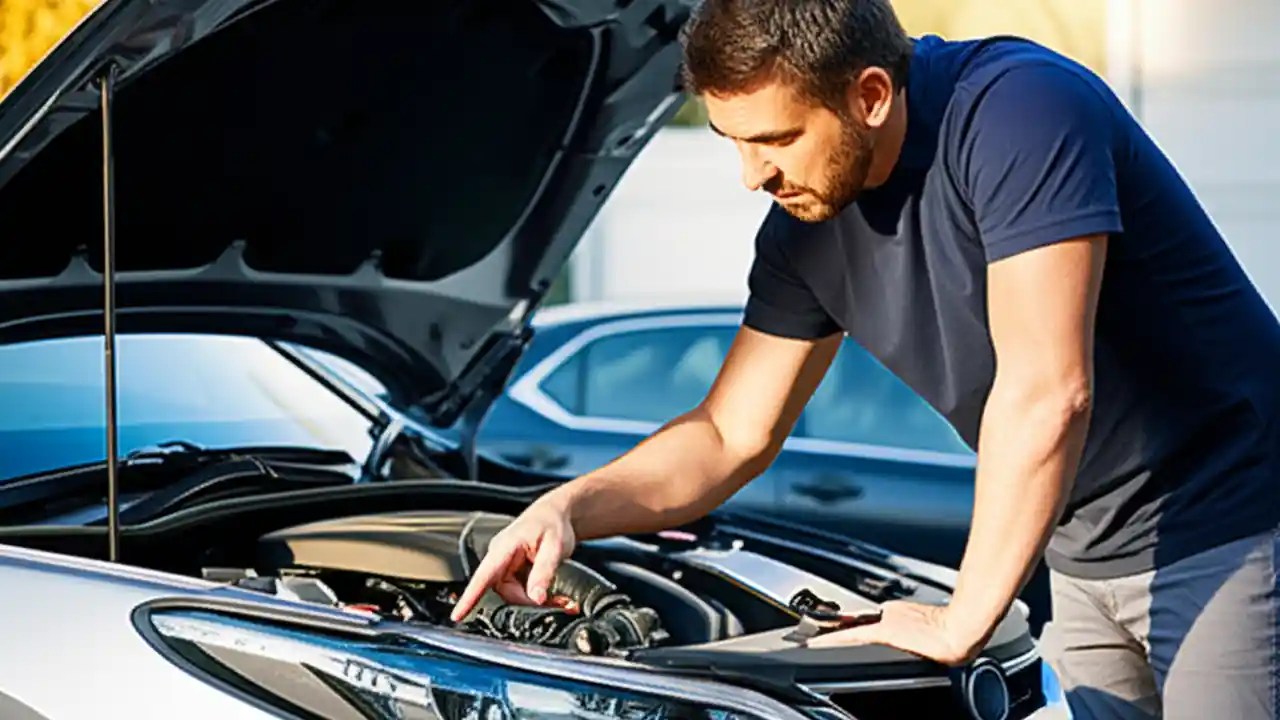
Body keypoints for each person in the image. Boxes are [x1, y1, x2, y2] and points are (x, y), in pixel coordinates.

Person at [452, 2, 1280, 717]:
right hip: (1083, 555)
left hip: (1233, 526)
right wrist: (568, 508)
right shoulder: (803, 232)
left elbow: (1046, 391)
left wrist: (963, 619)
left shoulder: (1021, 112)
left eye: (775, 138)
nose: (752, 175)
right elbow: (730, 434)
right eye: (733, 142)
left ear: (872, 95)